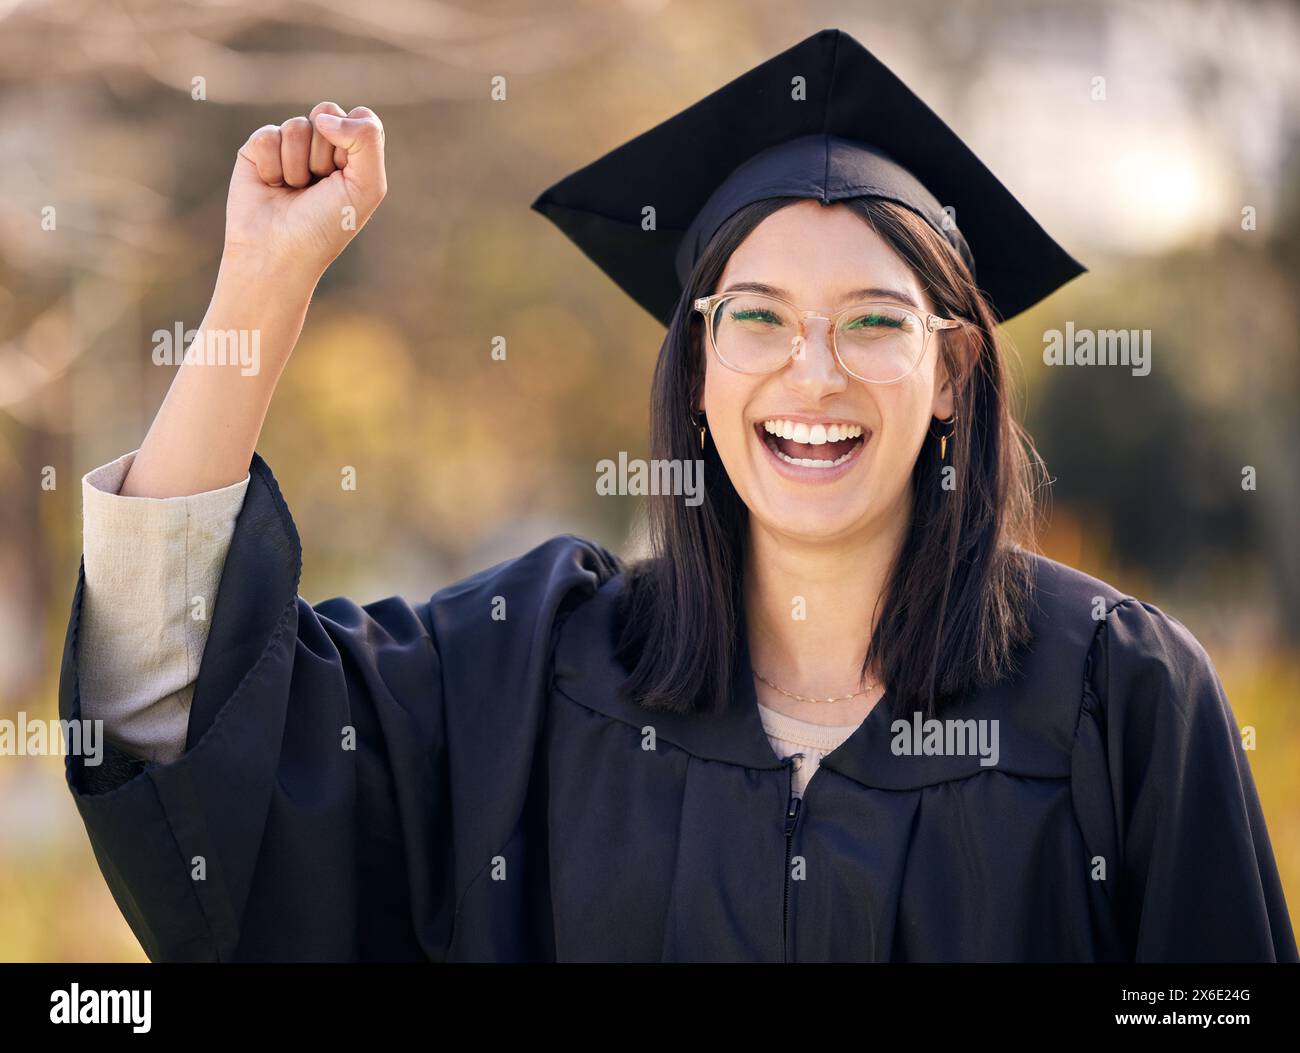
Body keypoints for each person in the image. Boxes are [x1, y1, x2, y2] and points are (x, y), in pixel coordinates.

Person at [59, 27, 1296, 962]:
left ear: (948, 371)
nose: (812, 371)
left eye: (873, 321)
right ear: (699, 369)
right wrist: (259, 290)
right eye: (756, 318)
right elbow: (169, 708)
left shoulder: (1119, 697)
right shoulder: (529, 678)